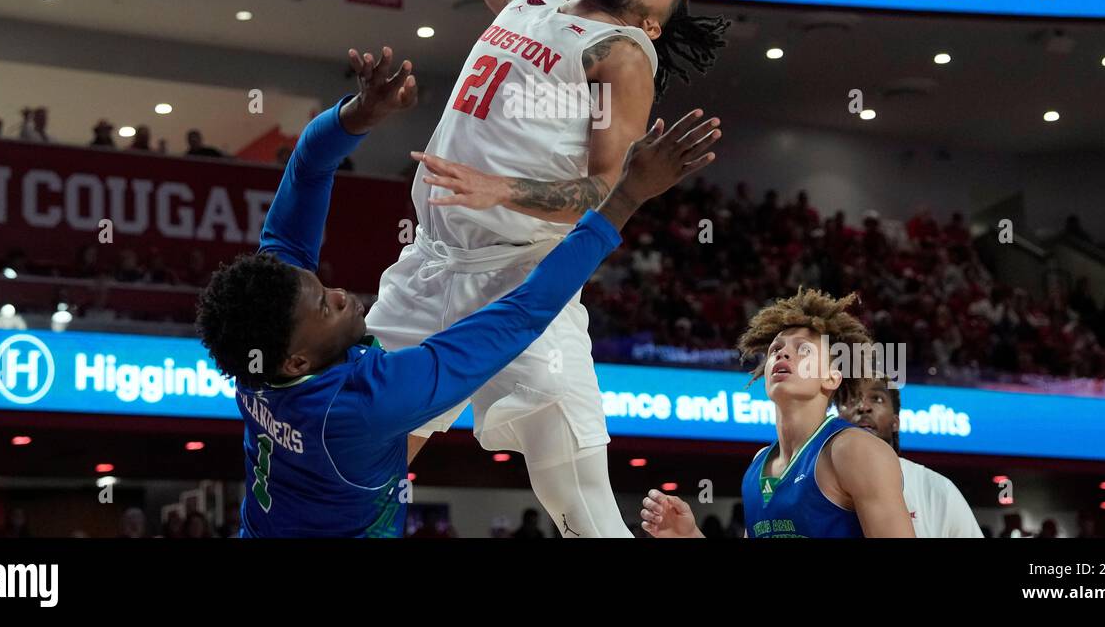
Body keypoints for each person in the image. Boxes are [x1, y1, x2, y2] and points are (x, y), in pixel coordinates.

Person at [195, 45, 719, 537]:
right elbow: (521, 313)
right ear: (296, 360)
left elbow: (308, 165)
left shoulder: (263, 331)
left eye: (320, 285)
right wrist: (626, 196)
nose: (336, 292)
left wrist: (357, 115)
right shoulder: (366, 403)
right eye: (324, 305)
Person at [363, 0, 729, 538]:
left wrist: (500, 187)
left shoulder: (622, 53)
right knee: (360, 455)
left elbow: (606, 187)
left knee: (579, 503)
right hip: (429, 269)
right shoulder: (533, 0)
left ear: (652, 22)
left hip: (521, 283)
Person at [641, 290, 914, 538]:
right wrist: (689, 536)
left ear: (831, 378)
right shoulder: (758, 466)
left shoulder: (854, 450)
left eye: (803, 350)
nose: (783, 355)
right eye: (776, 349)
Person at [840, 378, 982, 537]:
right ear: (837, 417)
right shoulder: (811, 486)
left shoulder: (937, 490)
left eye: (877, 399)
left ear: (895, 423)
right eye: (852, 398)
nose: (863, 407)